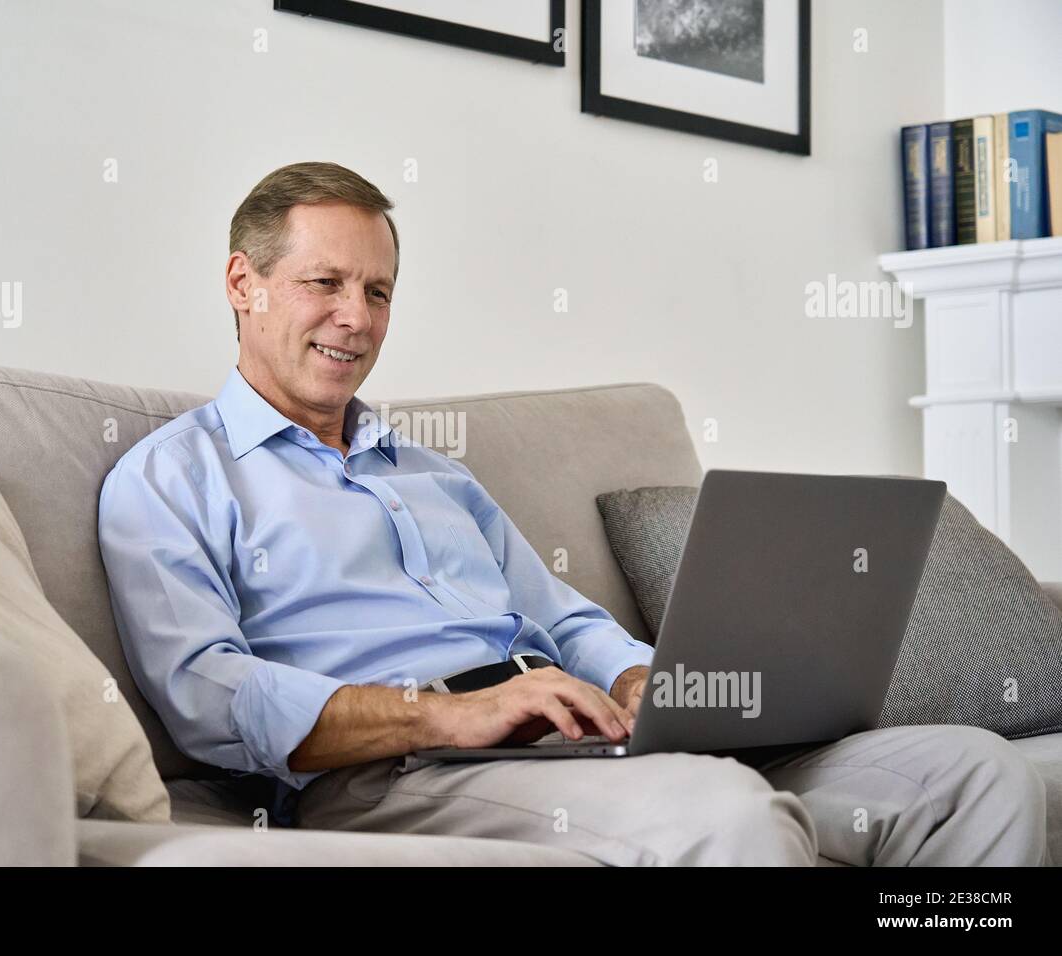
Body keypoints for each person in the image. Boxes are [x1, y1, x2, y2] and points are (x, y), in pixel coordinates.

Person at [98, 161, 1047, 865]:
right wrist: (447, 714)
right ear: (242, 284)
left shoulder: (434, 473)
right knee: (724, 813)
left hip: (570, 738)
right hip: (399, 779)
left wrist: (648, 681)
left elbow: (561, 620)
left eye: (378, 291)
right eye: (325, 283)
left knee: (973, 774)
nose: (358, 317)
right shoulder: (172, 478)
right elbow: (206, 696)